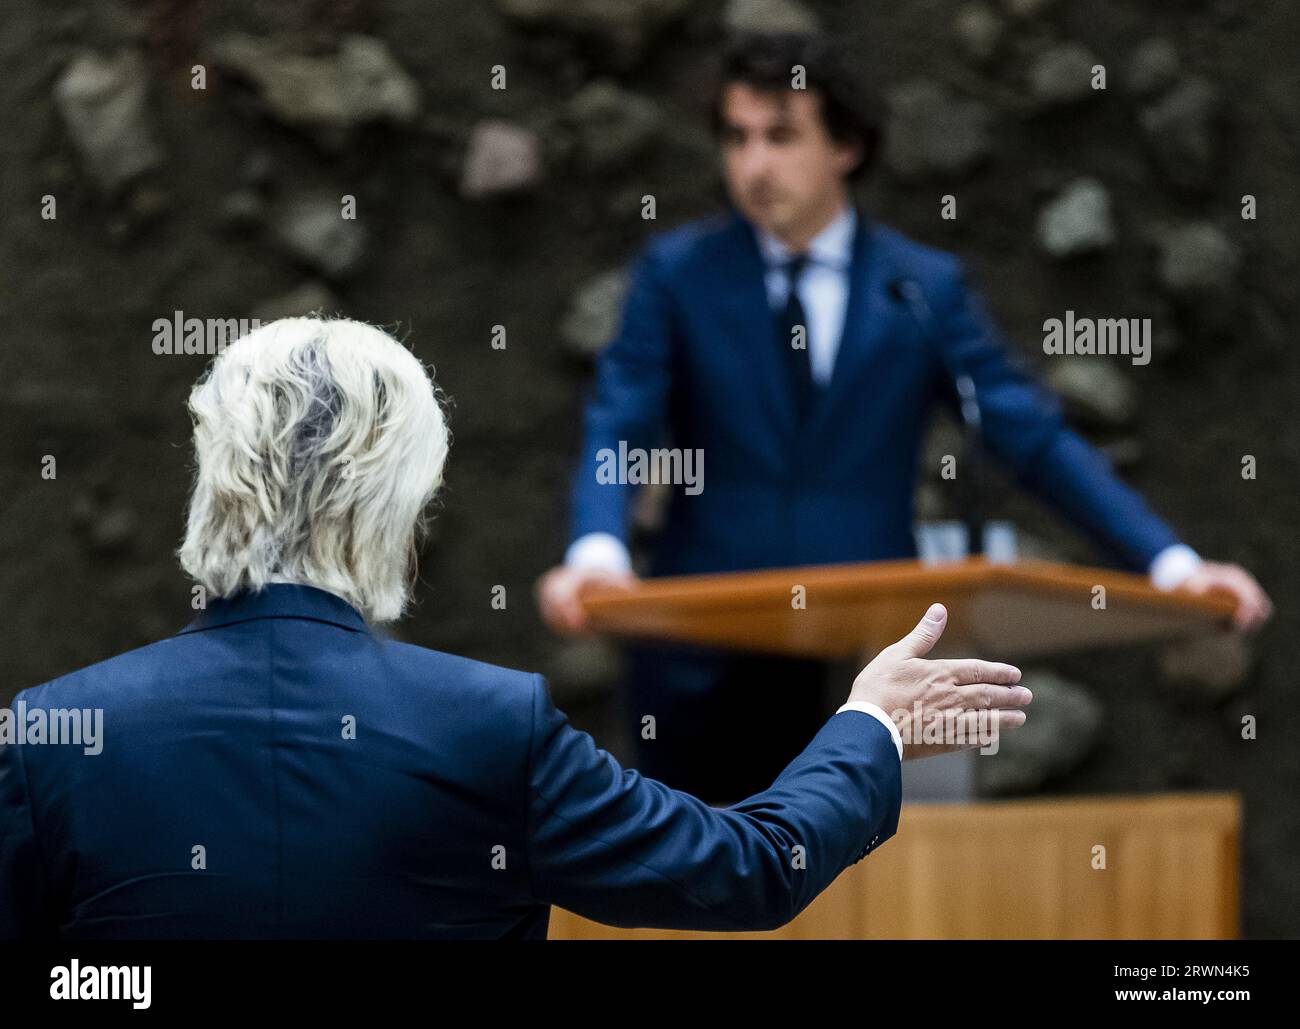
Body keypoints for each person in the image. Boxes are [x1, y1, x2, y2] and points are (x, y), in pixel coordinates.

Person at [0, 316, 1031, 939]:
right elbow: (749, 870)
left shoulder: (53, 734)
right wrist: (871, 728)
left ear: (211, 479)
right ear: (396, 504)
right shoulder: (488, 727)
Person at [537, 31, 1271, 802]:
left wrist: (1173, 565)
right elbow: (623, 415)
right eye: (738, 137)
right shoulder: (679, 275)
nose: (754, 165)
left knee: (859, 894)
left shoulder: (921, 287)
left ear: (846, 146)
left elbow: (1029, 434)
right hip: (702, 656)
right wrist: (597, 548)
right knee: (696, 888)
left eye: (782, 137)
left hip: (863, 657)